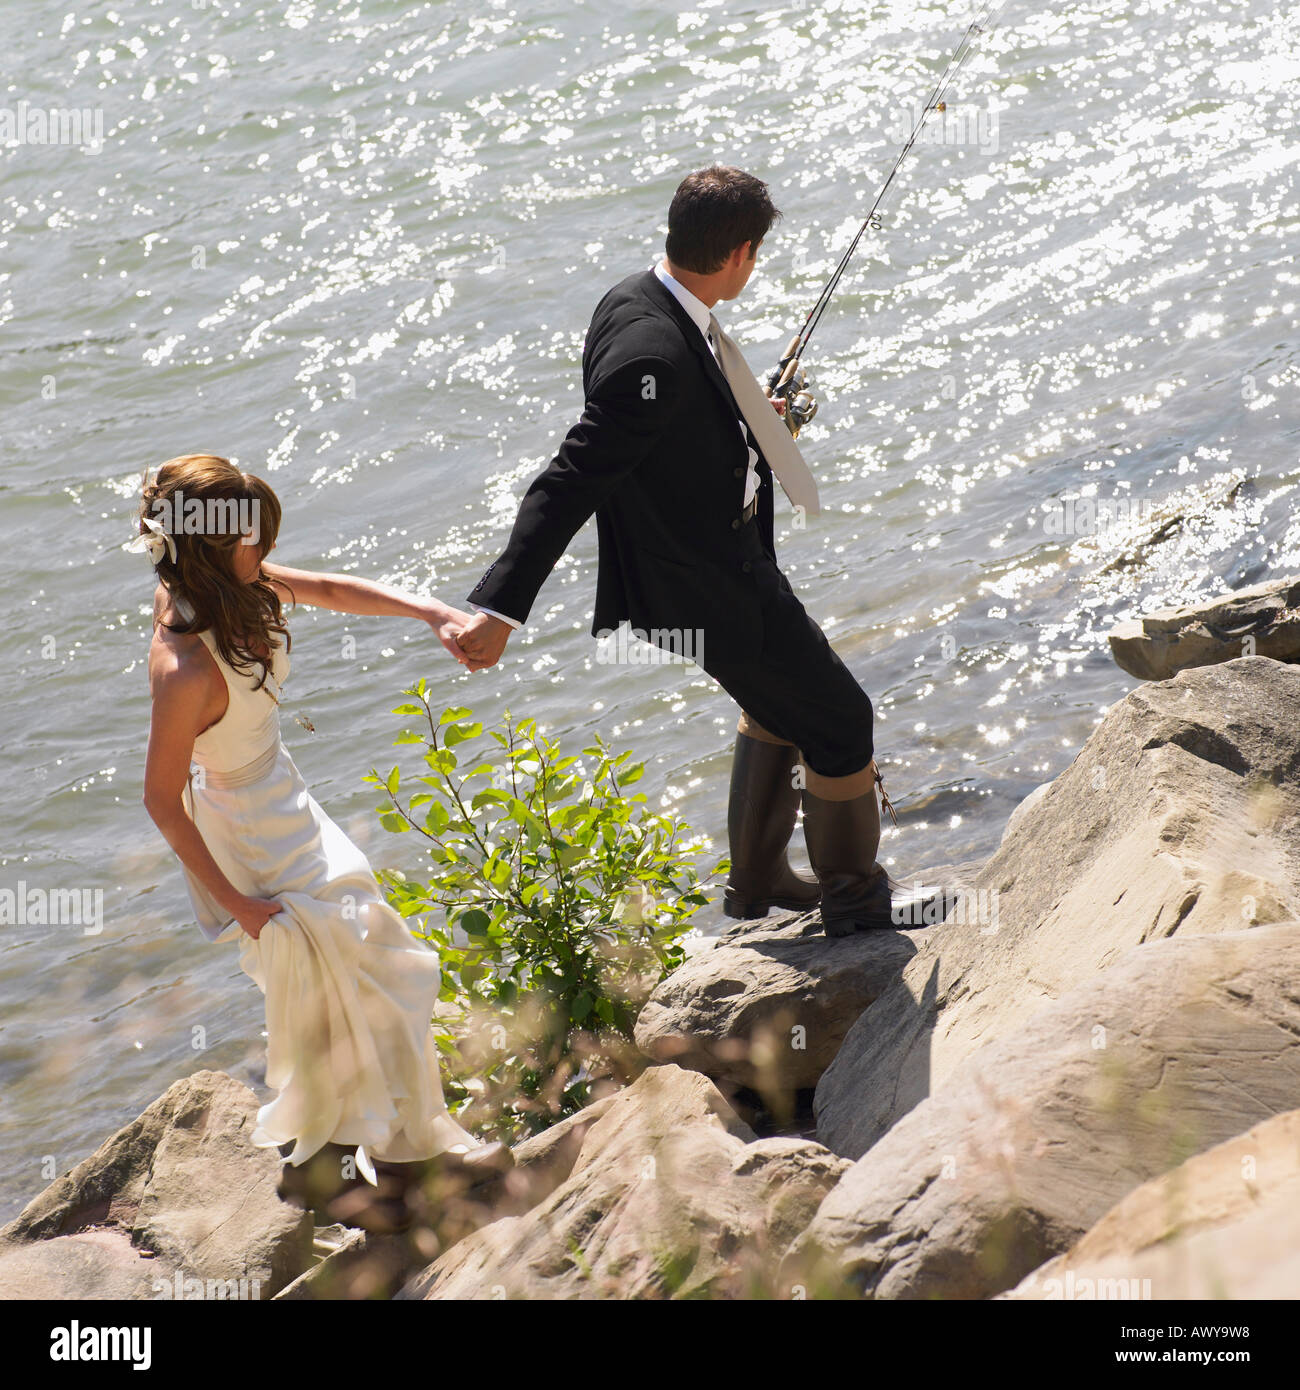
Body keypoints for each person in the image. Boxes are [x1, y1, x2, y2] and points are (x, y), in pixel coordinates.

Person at [455, 165, 903, 938]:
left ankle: (757, 880)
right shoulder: (652, 358)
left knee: (774, 705)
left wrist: (751, 423)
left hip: (709, 570)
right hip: (713, 587)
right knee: (841, 722)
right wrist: (500, 608)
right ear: (740, 254)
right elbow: (569, 479)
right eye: (756, 254)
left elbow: (666, 437)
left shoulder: (633, 299)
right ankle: (856, 911)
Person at [133, 454, 508, 1227]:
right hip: (249, 830)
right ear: (209, 548)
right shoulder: (185, 667)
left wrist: (431, 612)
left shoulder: (234, 585)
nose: (267, 555)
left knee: (352, 974)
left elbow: (332, 589)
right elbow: (161, 800)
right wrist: (236, 902)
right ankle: (344, 1165)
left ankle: (385, 1157)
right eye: (253, 541)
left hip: (283, 793)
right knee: (354, 969)